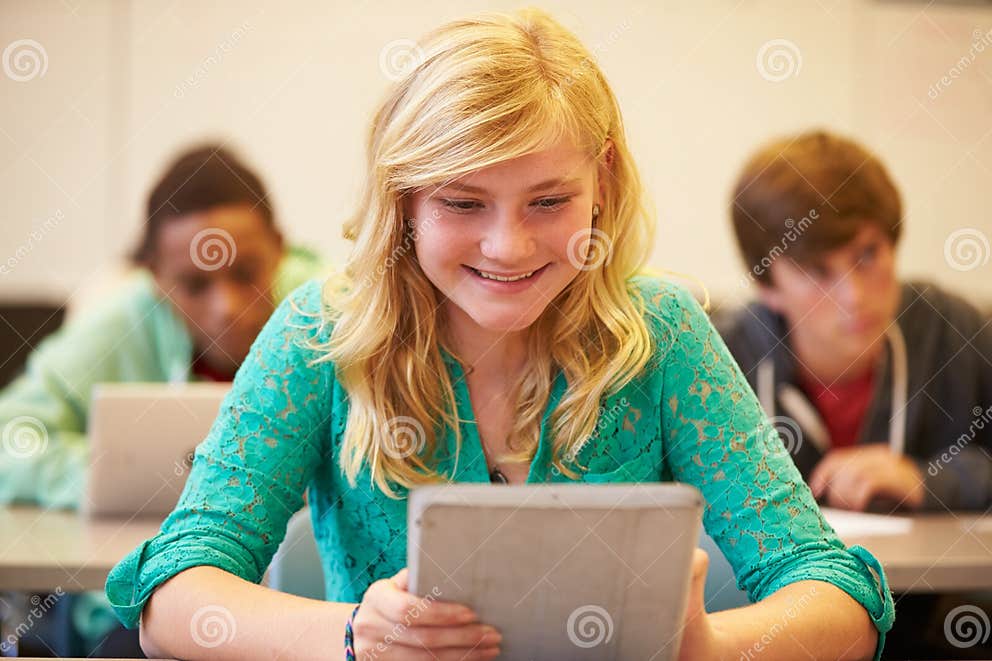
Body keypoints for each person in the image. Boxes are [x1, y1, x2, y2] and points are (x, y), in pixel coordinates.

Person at [107, 11, 894, 660]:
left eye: (549, 201)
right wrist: (353, 634)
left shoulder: (664, 332)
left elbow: (839, 595)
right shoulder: (322, 331)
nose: (508, 248)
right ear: (404, 200)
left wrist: (711, 648)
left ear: (603, 185)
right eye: (462, 202)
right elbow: (174, 591)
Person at [0, 144, 324, 654]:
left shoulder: (331, 311)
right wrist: (105, 474)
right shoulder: (122, 324)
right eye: (195, 284)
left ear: (280, 248)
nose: (226, 308)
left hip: (301, 607)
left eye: (245, 274)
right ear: (153, 274)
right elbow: (10, 434)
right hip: (142, 607)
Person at [716, 130, 992, 513]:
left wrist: (927, 480)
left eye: (868, 254)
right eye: (818, 270)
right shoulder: (717, 360)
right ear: (767, 285)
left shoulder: (958, 331)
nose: (855, 296)